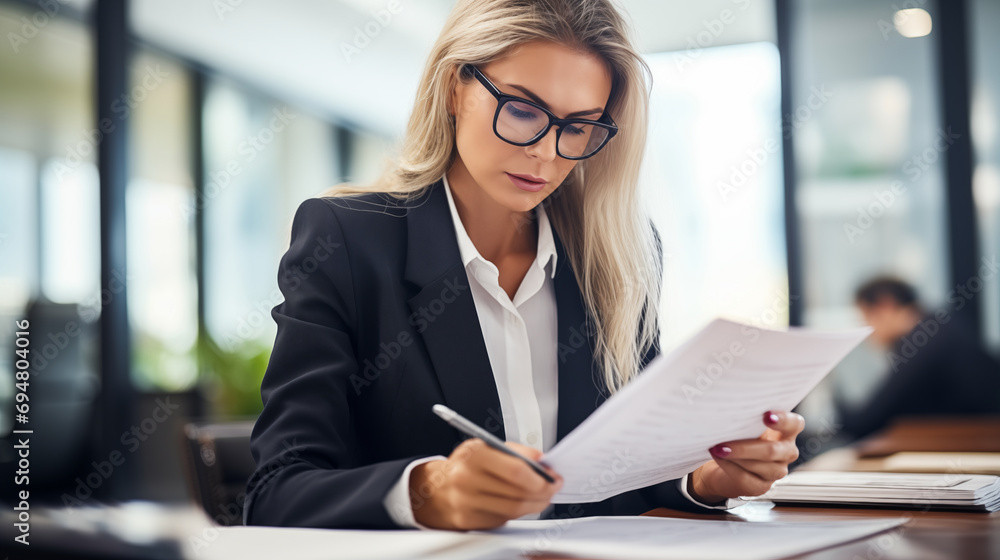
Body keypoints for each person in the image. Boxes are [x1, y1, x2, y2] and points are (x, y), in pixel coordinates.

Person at [244, 0, 804, 531]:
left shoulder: (619, 257)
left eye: (579, 126)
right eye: (521, 110)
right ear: (453, 90)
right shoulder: (348, 239)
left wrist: (702, 479)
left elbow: (625, 477)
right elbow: (275, 491)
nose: (547, 151)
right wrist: (428, 491)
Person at [838, 276, 1000, 440]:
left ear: (885, 306)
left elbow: (866, 422)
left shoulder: (923, 342)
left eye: (865, 317)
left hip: (981, 443)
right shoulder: (938, 327)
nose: (867, 332)